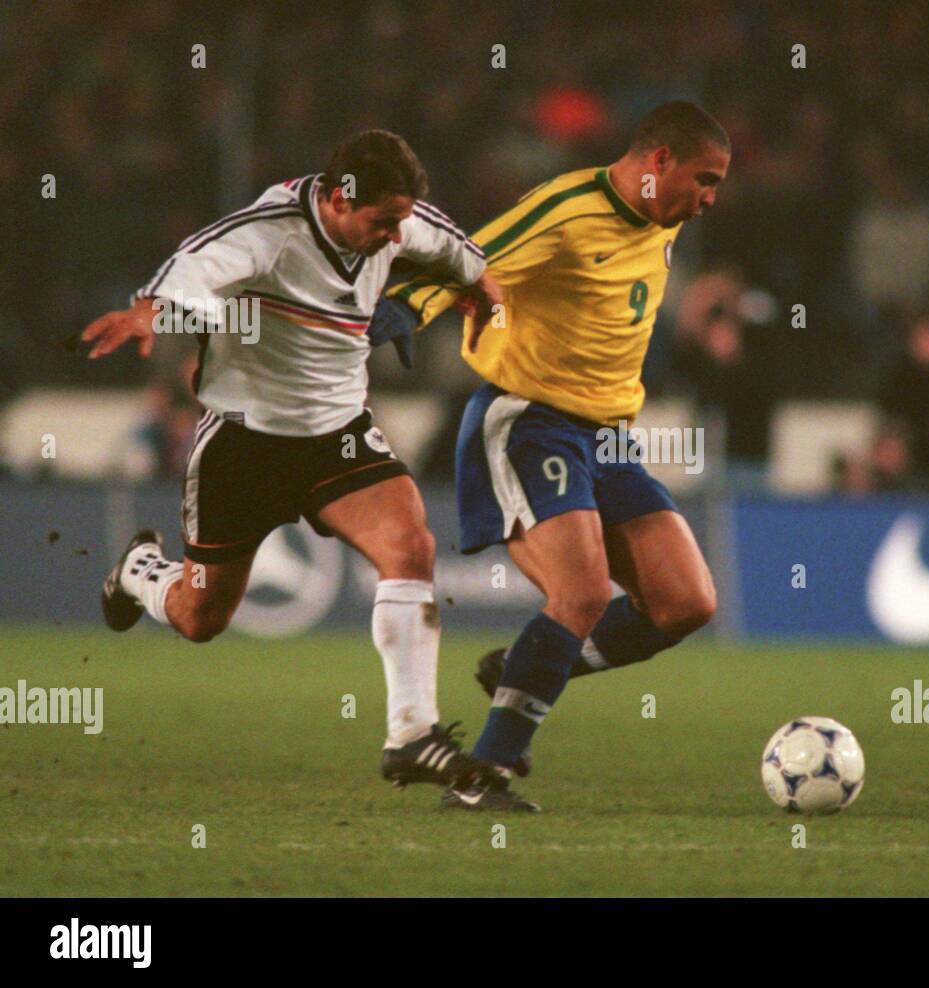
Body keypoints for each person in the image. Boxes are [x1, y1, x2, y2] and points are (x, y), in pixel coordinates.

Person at [81, 130, 503, 793]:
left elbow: (453, 246)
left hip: (336, 433)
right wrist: (146, 312)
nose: (396, 237)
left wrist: (481, 286)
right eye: (383, 222)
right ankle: (140, 570)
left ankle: (412, 737)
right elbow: (194, 263)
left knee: (409, 545)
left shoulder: (397, 221)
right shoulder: (270, 233)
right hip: (245, 440)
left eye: (400, 220)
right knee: (200, 618)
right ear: (339, 198)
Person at [386, 102, 728, 812]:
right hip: (528, 421)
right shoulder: (567, 208)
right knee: (579, 595)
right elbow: (467, 257)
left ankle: (526, 668)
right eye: (705, 178)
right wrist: (403, 310)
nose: (710, 198)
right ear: (658, 160)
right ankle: (483, 780)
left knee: (685, 602)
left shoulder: (659, 226)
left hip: (606, 438)